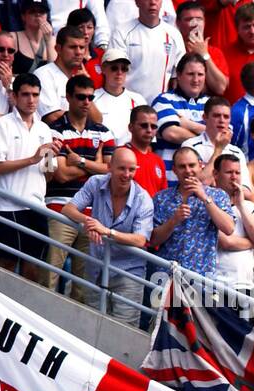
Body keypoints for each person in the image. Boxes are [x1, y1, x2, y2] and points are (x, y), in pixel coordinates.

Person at [59, 146, 152, 325]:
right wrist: (89, 222)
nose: (127, 174)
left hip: (128, 272)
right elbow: (68, 208)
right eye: (122, 168)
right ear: (110, 167)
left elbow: (140, 240)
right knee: (91, 326)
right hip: (96, 267)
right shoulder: (95, 182)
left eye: (132, 169)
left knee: (123, 331)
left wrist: (107, 231)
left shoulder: (143, 198)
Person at [44, 72, 111, 302]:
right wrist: (96, 165)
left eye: (90, 98)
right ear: (68, 98)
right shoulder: (54, 129)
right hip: (59, 207)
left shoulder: (103, 131)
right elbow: (60, 175)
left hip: (92, 214)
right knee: (50, 272)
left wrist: (80, 162)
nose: (86, 102)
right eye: (81, 97)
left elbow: (110, 171)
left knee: (84, 281)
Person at [149, 144, 235, 275]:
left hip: (201, 277)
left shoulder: (218, 195)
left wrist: (204, 197)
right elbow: (153, 240)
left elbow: (229, 228)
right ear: (174, 170)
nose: (188, 170)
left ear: (201, 165)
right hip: (165, 275)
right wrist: (173, 221)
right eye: (182, 166)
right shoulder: (161, 198)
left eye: (191, 165)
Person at [211, 153, 254, 311]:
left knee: (245, 333)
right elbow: (226, 242)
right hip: (216, 283)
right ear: (216, 174)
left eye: (237, 172)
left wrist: (241, 205)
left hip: (246, 283)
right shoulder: (209, 203)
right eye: (229, 172)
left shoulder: (248, 207)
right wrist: (252, 243)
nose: (234, 177)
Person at [154, 53, 208, 182]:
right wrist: (208, 139)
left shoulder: (211, 104)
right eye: (190, 74)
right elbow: (171, 133)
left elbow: (224, 136)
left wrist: (188, 124)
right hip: (169, 182)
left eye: (200, 74)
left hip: (202, 184)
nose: (196, 80)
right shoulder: (164, 100)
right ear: (178, 75)